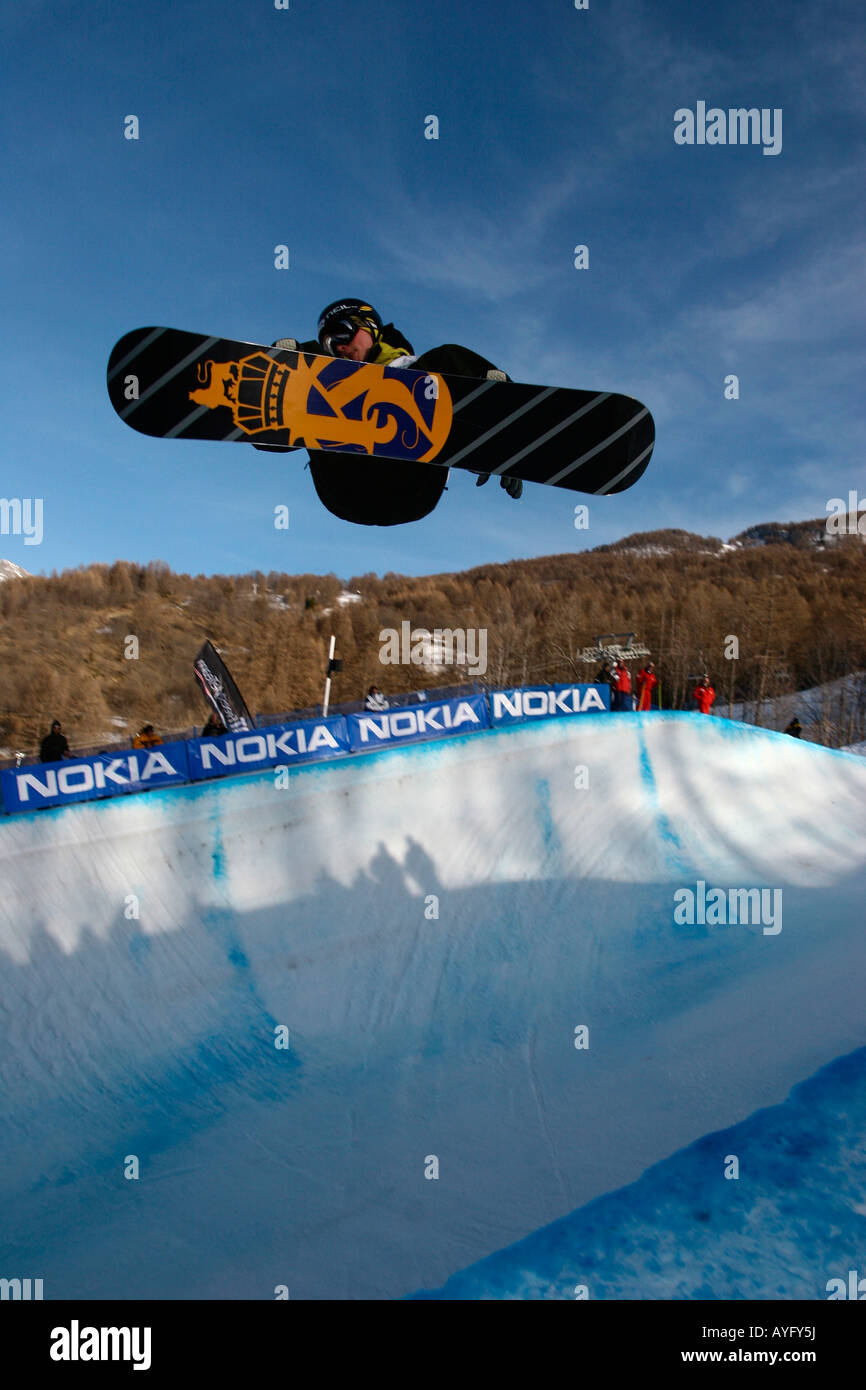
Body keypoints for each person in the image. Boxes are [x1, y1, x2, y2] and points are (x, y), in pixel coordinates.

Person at [266, 299, 521, 523]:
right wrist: (286, 366)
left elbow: (450, 419)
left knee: (445, 361)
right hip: (344, 487)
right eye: (330, 343)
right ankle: (282, 380)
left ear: (371, 328)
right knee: (315, 366)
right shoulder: (327, 378)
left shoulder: (418, 371)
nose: (338, 347)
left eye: (342, 334)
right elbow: (269, 440)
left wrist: (498, 453)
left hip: (413, 487)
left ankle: (494, 399)